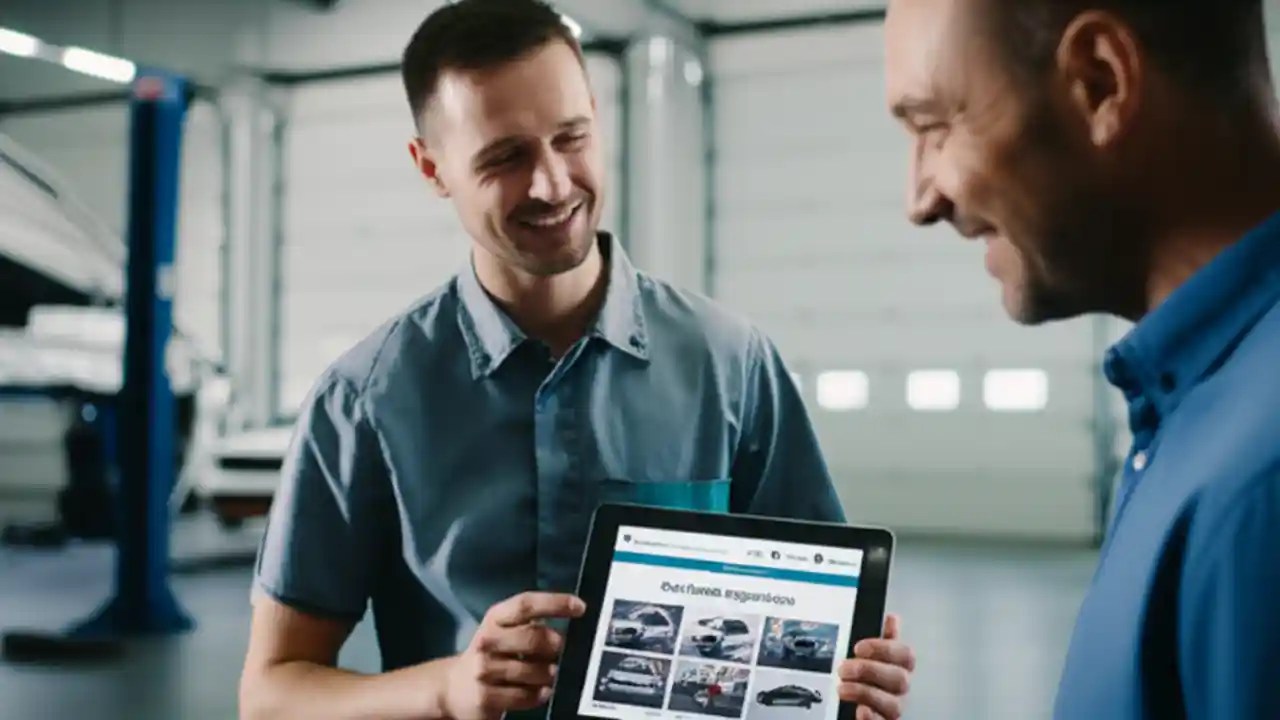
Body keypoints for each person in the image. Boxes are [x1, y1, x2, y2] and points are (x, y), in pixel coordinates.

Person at [238, 2, 915, 719]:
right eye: (505, 157)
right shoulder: (365, 401)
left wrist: (856, 683)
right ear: (431, 167)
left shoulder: (730, 363)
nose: (552, 184)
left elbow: (819, 635)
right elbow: (272, 693)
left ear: (597, 112)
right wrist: (444, 687)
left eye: (571, 137)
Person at [883, 0, 1280, 717]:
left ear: (1100, 82)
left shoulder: (1260, 488)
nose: (920, 198)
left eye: (936, 126)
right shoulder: (1202, 403)